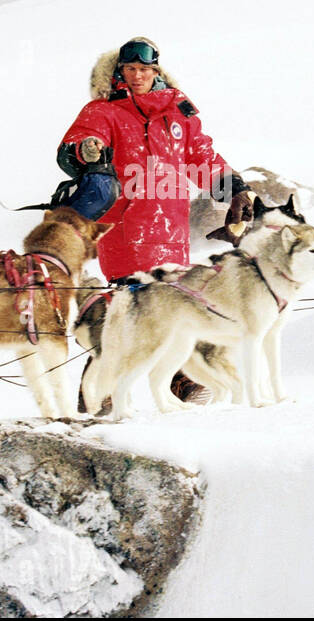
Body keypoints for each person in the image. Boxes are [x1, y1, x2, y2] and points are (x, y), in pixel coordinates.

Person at [57, 36, 255, 402]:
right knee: (125, 320)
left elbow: (201, 158)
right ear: (118, 72)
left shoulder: (177, 112)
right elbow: (77, 146)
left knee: (171, 314)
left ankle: (186, 388)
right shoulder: (102, 111)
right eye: (130, 69)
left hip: (171, 232)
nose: (137, 76)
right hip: (126, 233)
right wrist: (86, 150)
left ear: (156, 71)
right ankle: (99, 399)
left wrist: (235, 189)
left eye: (145, 70)